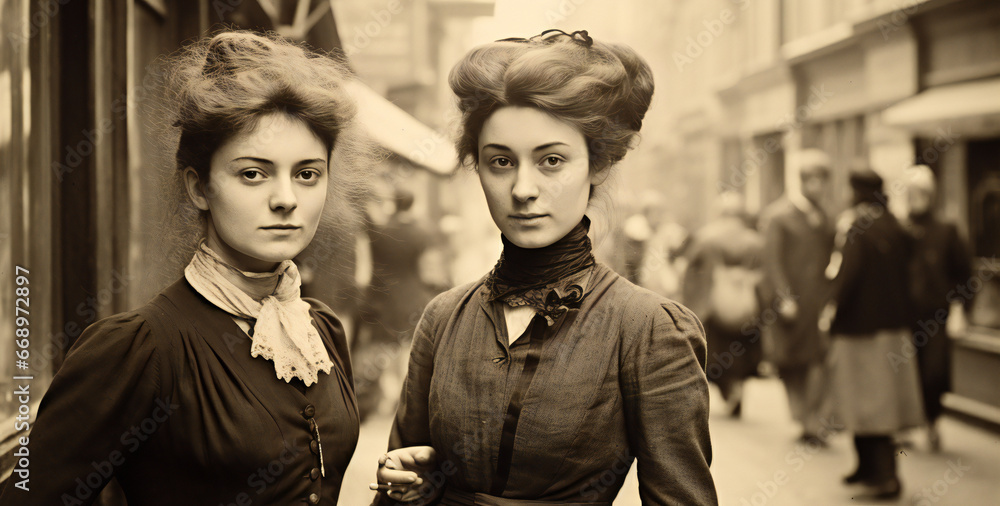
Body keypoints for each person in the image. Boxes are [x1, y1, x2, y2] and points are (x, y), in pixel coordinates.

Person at [0, 31, 369, 505]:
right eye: (252, 173)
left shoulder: (321, 332)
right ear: (199, 188)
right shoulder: (140, 349)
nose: (286, 199)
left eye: (306, 173)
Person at [371, 29, 717, 505]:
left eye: (551, 160)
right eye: (500, 162)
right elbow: (403, 475)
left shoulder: (649, 331)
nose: (522, 189)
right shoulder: (443, 317)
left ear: (597, 166)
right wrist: (407, 487)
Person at [826, 167, 925, 500]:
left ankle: (885, 477)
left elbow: (846, 278)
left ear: (856, 193)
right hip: (894, 328)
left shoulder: (857, 227)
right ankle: (866, 468)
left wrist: (833, 314)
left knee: (868, 406)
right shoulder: (895, 226)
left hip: (860, 332)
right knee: (878, 405)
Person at [758, 150, 835, 443]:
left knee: (817, 360)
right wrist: (784, 298)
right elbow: (772, 262)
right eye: (813, 180)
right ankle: (801, 416)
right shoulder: (779, 217)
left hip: (817, 302)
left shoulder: (825, 216)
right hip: (790, 305)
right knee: (790, 362)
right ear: (803, 181)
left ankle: (811, 421)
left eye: (823, 181)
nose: (818, 187)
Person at [902, 165, 972, 451]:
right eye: (912, 192)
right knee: (907, 372)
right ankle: (910, 423)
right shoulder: (899, 229)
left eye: (922, 192)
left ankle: (931, 421)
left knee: (934, 372)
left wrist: (959, 307)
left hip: (935, 316)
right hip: (904, 316)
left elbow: (963, 273)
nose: (916, 198)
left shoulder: (947, 230)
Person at [682, 192, 764, 417]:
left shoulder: (706, 238)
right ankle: (737, 388)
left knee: (714, 354)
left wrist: (689, 304)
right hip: (746, 307)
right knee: (741, 351)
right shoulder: (755, 241)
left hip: (711, 308)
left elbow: (690, 274)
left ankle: (726, 390)